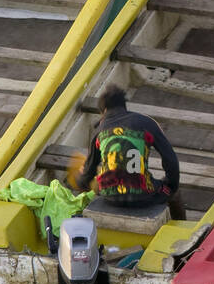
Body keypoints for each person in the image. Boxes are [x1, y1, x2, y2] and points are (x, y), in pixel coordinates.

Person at [72, 84, 185, 220]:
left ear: (104, 110)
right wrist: (170, 185)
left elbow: (86, 176)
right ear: (124, 105)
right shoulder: (147, 123)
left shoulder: (99, 132)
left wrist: (80, 178)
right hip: (144, 195)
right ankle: (181, 228)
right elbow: (171, 160)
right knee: (175, 194)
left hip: (110, 197)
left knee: (98, 180)